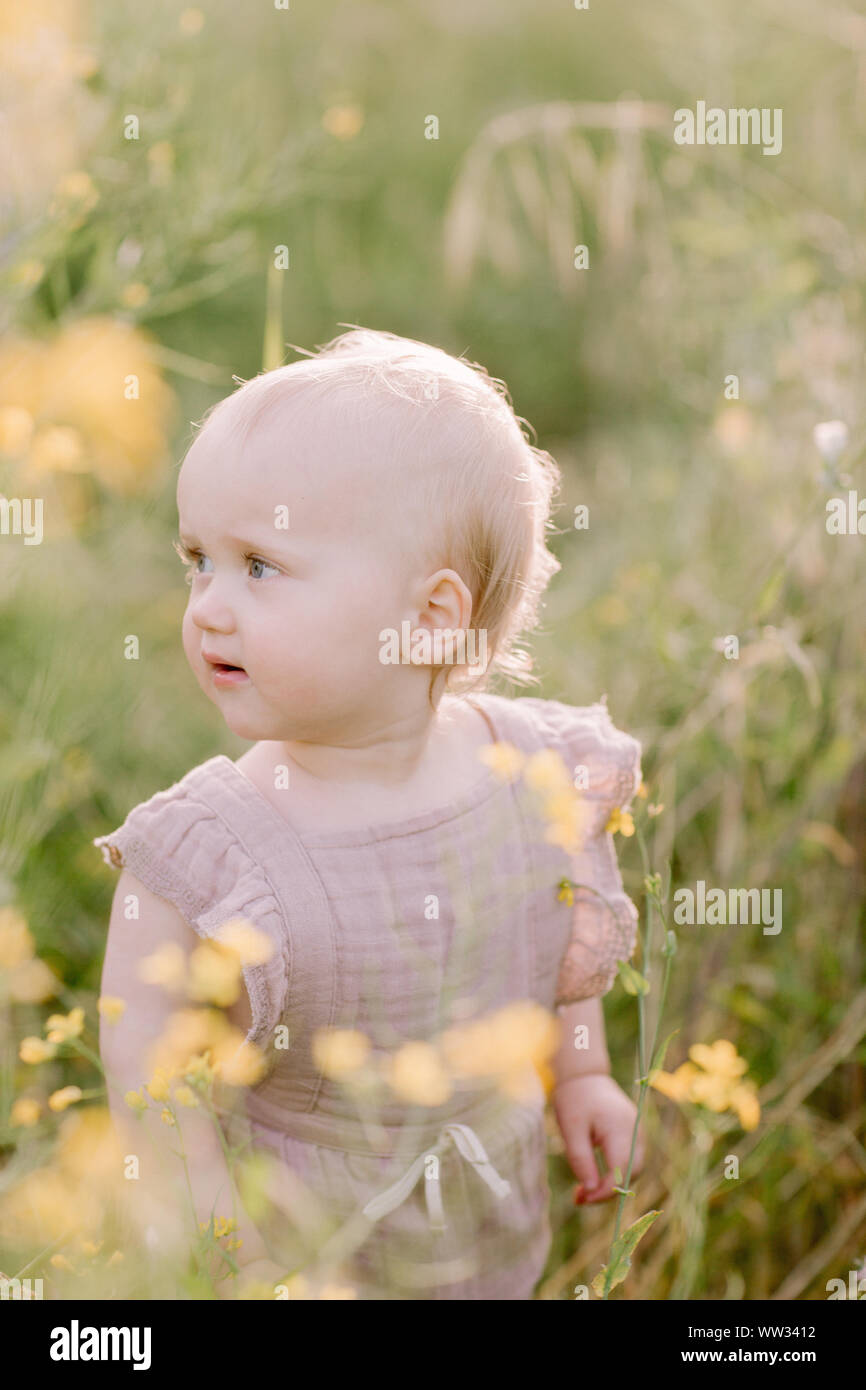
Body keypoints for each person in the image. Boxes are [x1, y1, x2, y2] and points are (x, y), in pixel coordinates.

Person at [95, 326, 646, 1300]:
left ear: (430, 615)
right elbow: (144, 1065)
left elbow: (554, 956)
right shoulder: (205, 853)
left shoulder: (537, 776)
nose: (208, 608)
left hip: (488, 1257)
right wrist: (223, 1252)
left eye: (259, 565)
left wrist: (584, 1073)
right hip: (294, 1269)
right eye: (197, 561)